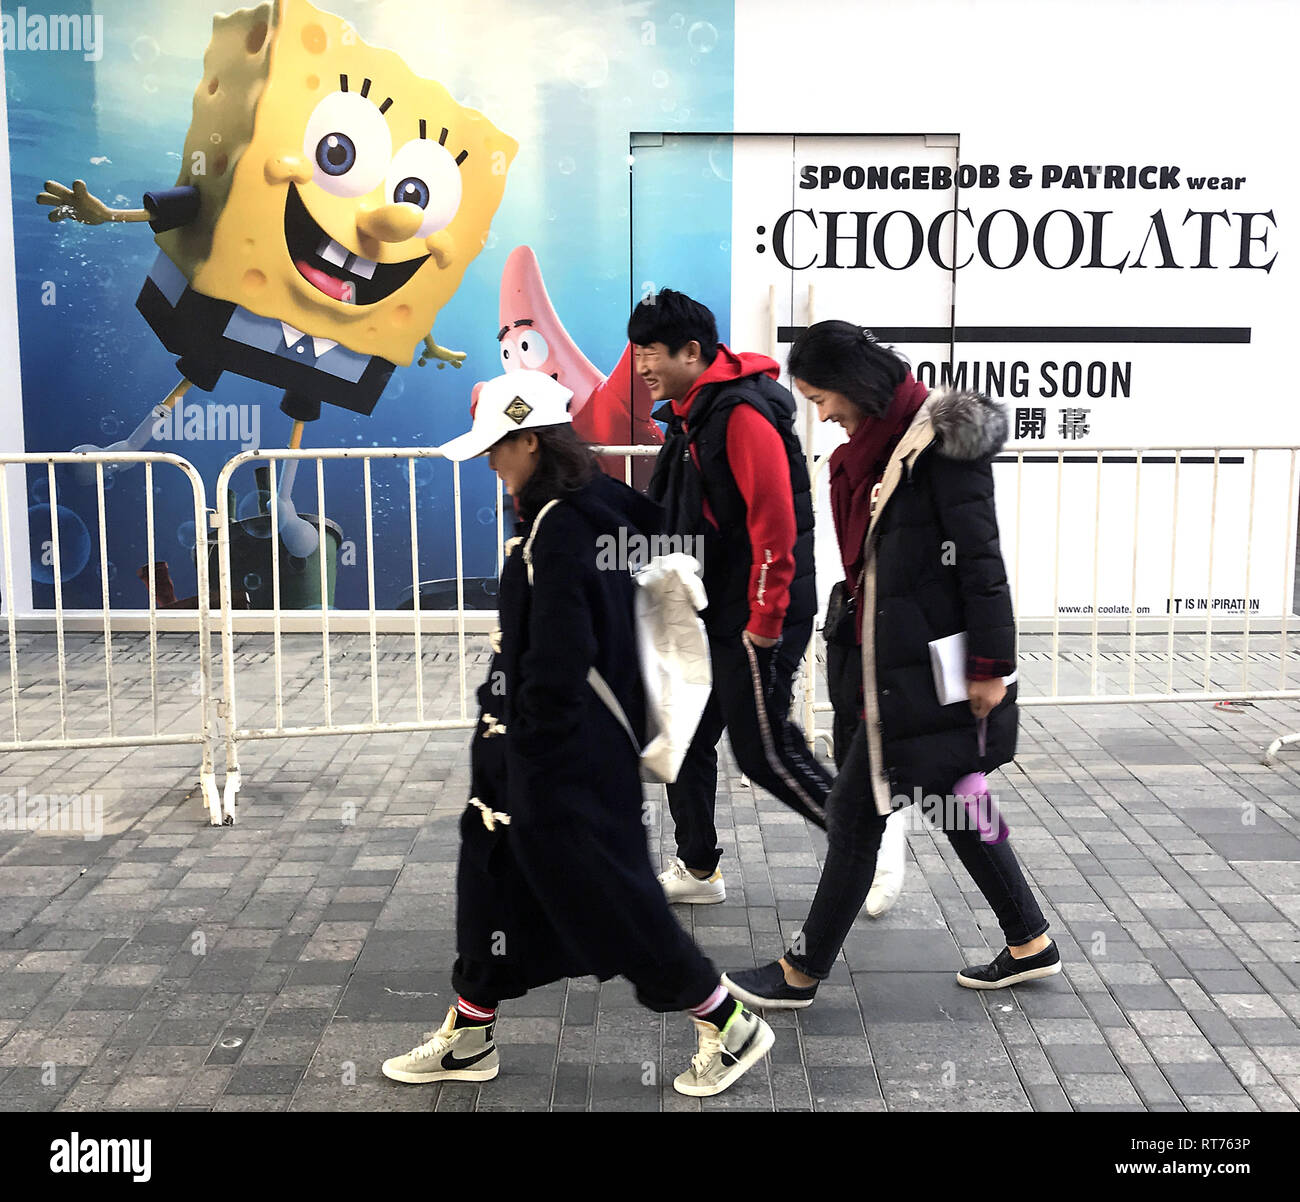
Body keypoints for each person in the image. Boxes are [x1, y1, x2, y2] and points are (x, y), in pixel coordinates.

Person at [381, 369, 773, 1096]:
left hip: (560, 753)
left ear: (529, 440)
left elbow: (559, 660)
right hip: (545, 743)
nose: (491, 465)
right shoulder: (599, 499)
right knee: (491, 877)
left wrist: (525, 753)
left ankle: (728, 1021)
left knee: (608, 895)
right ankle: (470, 1032)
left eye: (497, 449)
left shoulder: (560, 527)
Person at [722, 321, 1061, 1008]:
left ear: (856, 383)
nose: (822, 415)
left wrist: (991, 665)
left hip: (926, 666)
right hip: (887, 658)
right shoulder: (875, 445)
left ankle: (801, 972)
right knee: (956, 794)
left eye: (823, 398)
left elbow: (981, 560)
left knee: (857, 813)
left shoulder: (940, 441)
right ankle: (1030, 941)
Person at [629, 289, 900, 913]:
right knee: (687, 740)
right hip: (714, 610)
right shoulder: (693, 414)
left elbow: (775, 528)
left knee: (764, 750)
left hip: (755, 617)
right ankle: (699, 866)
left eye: (651, 354)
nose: (642, 367)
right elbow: (675, 512)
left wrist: (763, 622)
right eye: (636, 353)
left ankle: (870, 842)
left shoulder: (739, 415)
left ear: (691, 352)